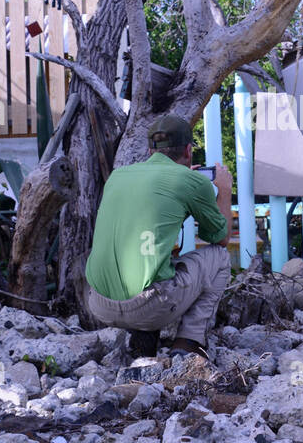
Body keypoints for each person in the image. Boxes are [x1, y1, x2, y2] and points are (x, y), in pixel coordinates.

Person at [83, 115, 233, 359]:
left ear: (150, 149)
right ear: (188, 149)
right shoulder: (192, 181)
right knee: (220, 258)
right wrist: (224, 191)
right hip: (148, 306)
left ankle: (141, 340)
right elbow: (221, 237)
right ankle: (188, 345)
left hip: (98, 302)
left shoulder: (118, 176)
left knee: (153, 264)